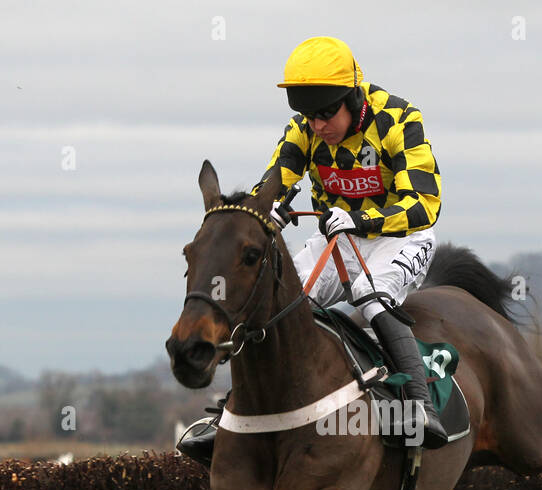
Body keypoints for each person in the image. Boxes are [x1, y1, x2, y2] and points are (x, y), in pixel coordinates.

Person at [178, 36, 446, 465]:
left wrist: (364, 221)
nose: (318, 125)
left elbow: (425, 204)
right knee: (275, 300)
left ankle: (420, 405)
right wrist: (265, 217)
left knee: (369, 296)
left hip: (400, 236)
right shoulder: (303, 131)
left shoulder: (399, 119)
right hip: (337, 237)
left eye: (326, 114)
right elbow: (272, 183)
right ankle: (230, 413)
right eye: (309, 116)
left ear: (353, 98)